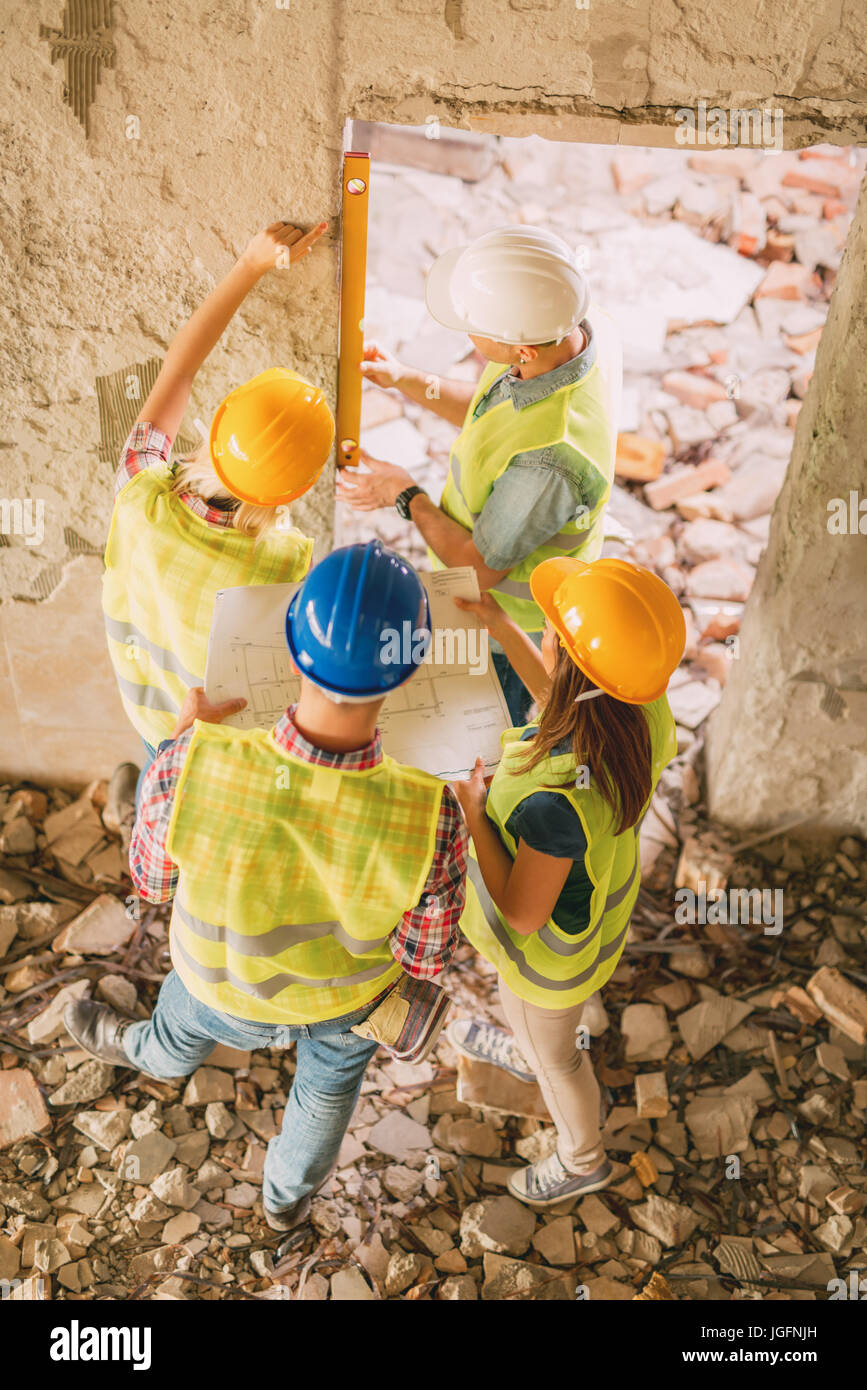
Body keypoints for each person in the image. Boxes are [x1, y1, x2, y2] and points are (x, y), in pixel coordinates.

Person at [66, 541, 468, 1233]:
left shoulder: (194, 761)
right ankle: (284, 1203)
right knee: (323, 1102)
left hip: (214, 986)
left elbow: (151, 884)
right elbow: (423, 959)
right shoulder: (431, 815)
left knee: (172, 1033)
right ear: (405, 675)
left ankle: (141, 1056)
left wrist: (180, 745)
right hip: (344, 1005)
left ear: (290, 653)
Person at [447, 557, 684, 1208]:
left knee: (557, 1059)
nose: (544, 631)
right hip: (599, 924)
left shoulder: (555, 802)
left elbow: (522, 914)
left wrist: (472, 813)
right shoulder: (640, 704)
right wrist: (501, 627)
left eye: (549, 629)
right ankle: (544, 1039)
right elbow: (563, 689)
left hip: (547, 966)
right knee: (555, 1027)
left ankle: (582, 1158)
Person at [337, 225, 622, 725]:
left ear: (522, 352)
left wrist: (406, 496)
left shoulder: (551, 462)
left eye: (474, 330)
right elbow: (496, 408)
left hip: (512, 627)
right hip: (496, 570)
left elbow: (477, 567)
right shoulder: (569, 327)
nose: (466, 336)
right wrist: (409, 379)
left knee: (484, 728)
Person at [103, 219, 334, 829]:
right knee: (204, 831)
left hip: (152, 717)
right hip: (227, 747)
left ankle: (146, 823)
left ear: (216, 425)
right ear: (301, 489)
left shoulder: (139, 486)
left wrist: (250, 265)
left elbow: (178, 370)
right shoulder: (285, 565)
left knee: (166, 801)